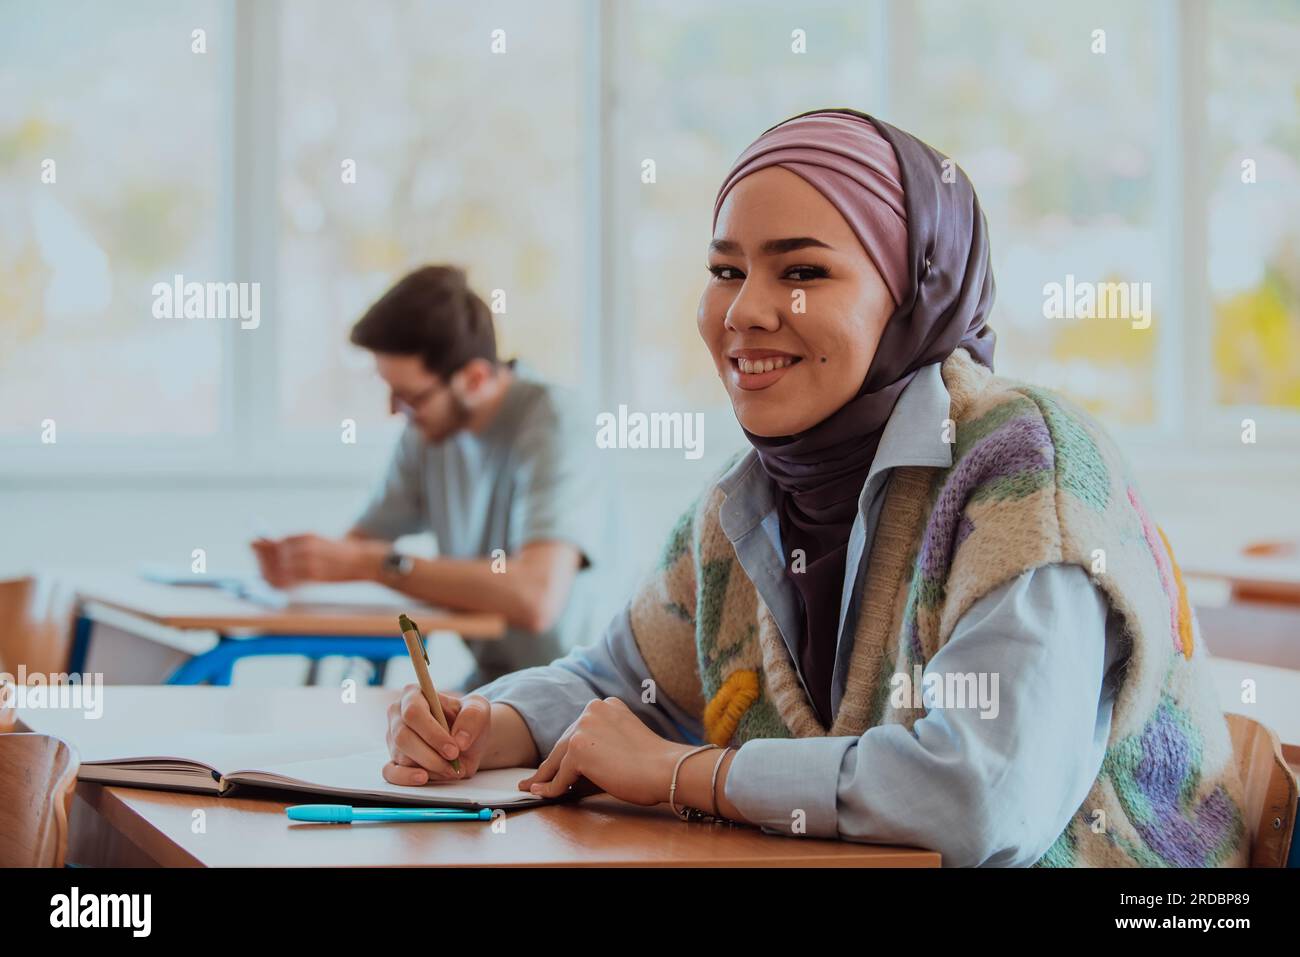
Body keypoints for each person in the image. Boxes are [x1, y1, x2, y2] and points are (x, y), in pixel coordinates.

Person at [380, 110, 1249, 867]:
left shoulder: (1024, 466)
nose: (745, 311)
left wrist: (685, 774)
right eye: (726, 270)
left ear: (917, 294)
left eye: (802, 272)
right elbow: (618, 680)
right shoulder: (745, 502)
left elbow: (979, 799)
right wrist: (485, 723)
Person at [252, 265, 601, 688]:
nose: (394, 411)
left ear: (473, 378)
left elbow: (535, 596)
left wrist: (374, 564)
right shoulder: (429, 432)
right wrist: (305, 564)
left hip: (578, 689)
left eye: (410, 397)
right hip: (497, 681)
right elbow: (361, 546)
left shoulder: (553, 424)